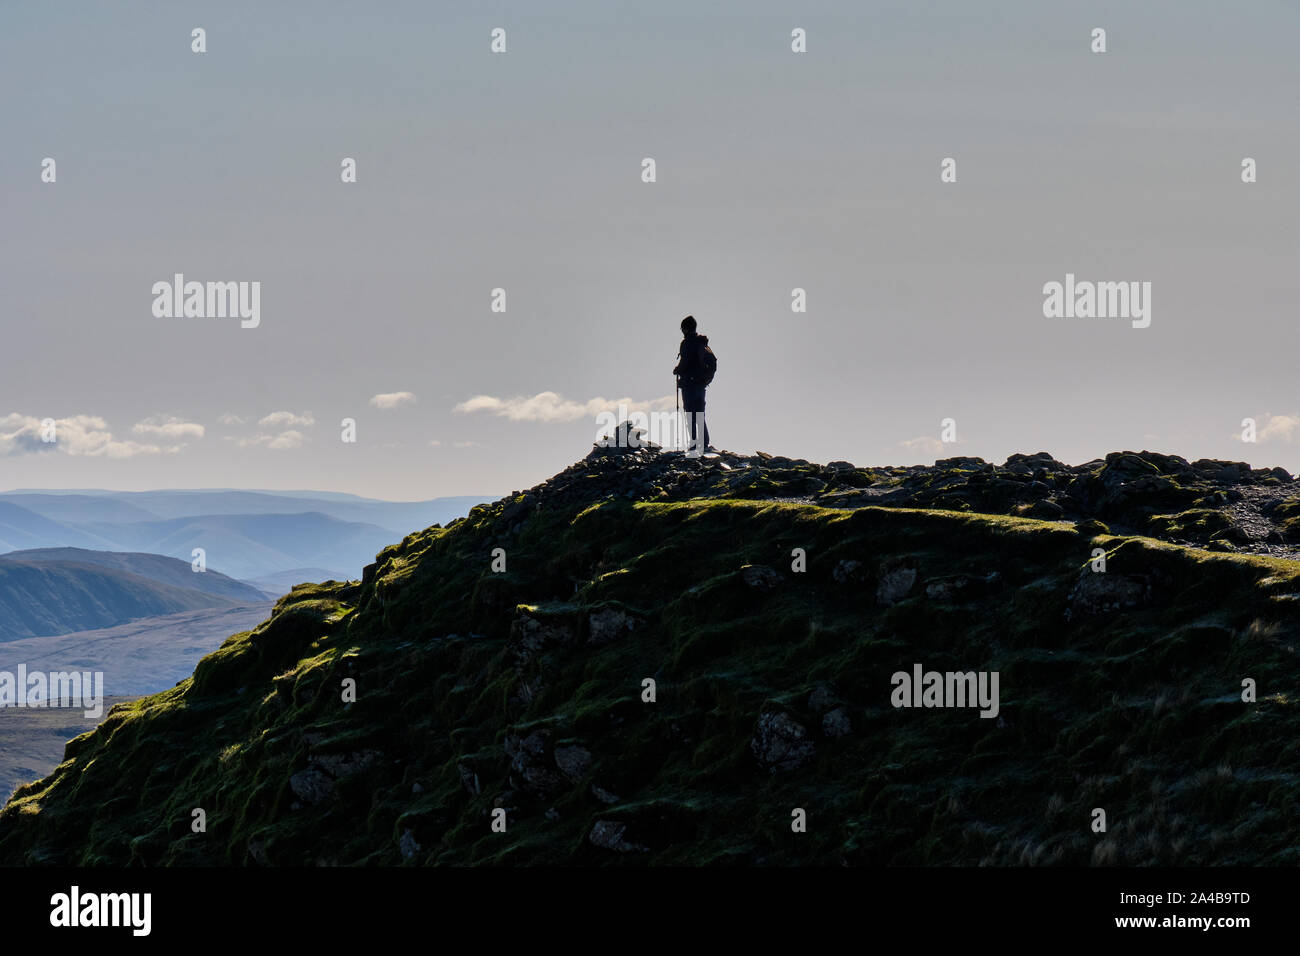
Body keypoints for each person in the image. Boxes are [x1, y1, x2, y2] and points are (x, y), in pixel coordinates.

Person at [672, 315, 717, 455]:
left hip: (689, 384)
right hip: (701, 384)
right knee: (700, 414)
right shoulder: (701, 342)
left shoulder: (687, 343)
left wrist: (677, 370)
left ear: (685, 328)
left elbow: (685, 362)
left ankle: (693, 445)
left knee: (690, 414)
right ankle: (704, 443)